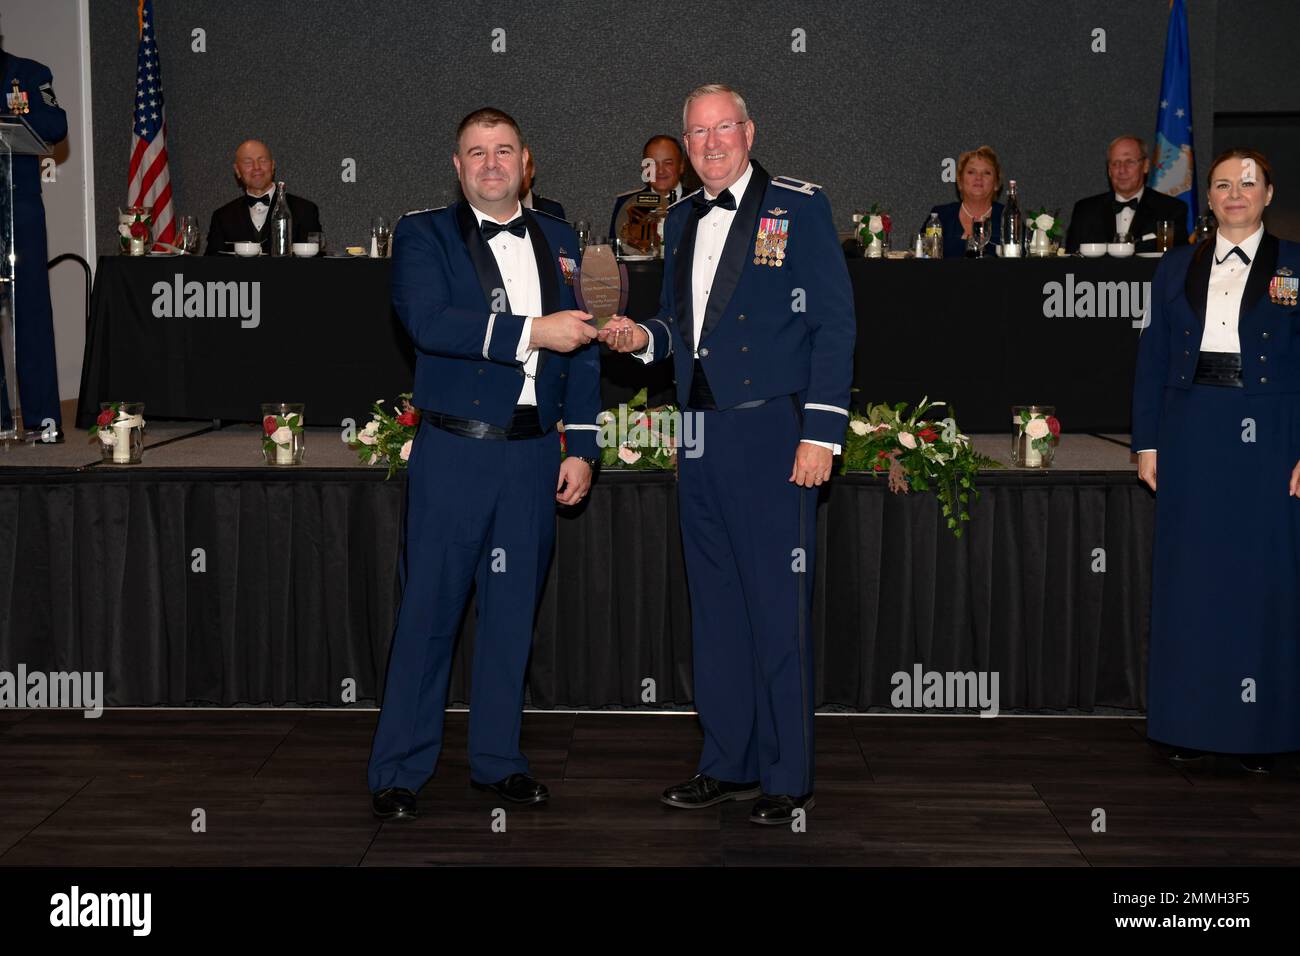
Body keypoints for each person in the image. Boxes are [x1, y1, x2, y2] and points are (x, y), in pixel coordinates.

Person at [602, 84, 855, 825]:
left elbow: (834, 323)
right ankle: (726, 762)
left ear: (749, 131)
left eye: (723, 129)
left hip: (772, 433)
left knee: (777, 609)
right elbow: (681, 325)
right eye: (697, 133)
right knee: (714, 608)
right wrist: (640, 338)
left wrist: (821, 432)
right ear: (685, 145)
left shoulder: (798, 207)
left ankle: (787, 777)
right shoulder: (680, 217)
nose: (711, 143)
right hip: (699, 434)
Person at [367, 107, 602, 821]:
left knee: (511, 617)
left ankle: (499, 761)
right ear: (457, 165)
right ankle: (399, 769)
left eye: (504, 150)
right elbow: (428, 322)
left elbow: (583, 349)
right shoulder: (422, 234)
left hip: (532, 457)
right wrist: (532, 331)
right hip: (455, 453)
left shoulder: (561, 238)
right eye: (477, 152)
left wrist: (582, 445)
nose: (492, 163)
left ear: (526, 161)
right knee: (428, 614)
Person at [1132, 147, 1300, 774]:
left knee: (1262, 582)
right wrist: (1147, 442)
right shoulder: (1176, 265)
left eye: (1247, 183)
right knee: (1192, 581)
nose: (1235, 194)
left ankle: (1264, 733)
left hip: (1272, 435)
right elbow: (1152, 355)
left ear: (1268, 193)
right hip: (1192, 430)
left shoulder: (1296, 264)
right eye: (1223, 184)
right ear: (1207, 197)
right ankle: (1189, 723)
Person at [0, 44, 68, 442]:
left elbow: (56, 125)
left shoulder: (29, 72)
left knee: (31, 316)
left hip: (18, 208)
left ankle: (44, 423)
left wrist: (8, 118)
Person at [1065, 135, 1189, 253]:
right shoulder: (1085, 211)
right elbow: (1071, 262)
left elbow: (1179, 260)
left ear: (1145, 166)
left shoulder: (1171, 210)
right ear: (1109, 170)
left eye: (1129, 162)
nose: (1122, 170)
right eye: (1115, 163)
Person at [203, 139, 321, 254]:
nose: (256, 167)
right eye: (248, 162)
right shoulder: (222, 217)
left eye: (263, 160)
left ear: (273, 165)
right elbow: (211, 263)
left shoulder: (305, 211)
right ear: (237, 170)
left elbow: (316, 262)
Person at [923, 145, 1004, 258]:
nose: (978, 177)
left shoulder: (1008, 217)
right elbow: (922, 258)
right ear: (960, 182)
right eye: (971, 172)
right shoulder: (941, 216)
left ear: (996, 184)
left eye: (987, 173)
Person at [608, 134, 689, 240]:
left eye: (668, 163)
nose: (660, 171)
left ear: (681, 166)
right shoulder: (627, 204)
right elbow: (615, 248)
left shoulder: (699, 202)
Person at [518, 151, 565, 220]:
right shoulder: (499, 209)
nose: (518, 176)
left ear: (532, 171)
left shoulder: (552, 211)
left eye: (522, 169)